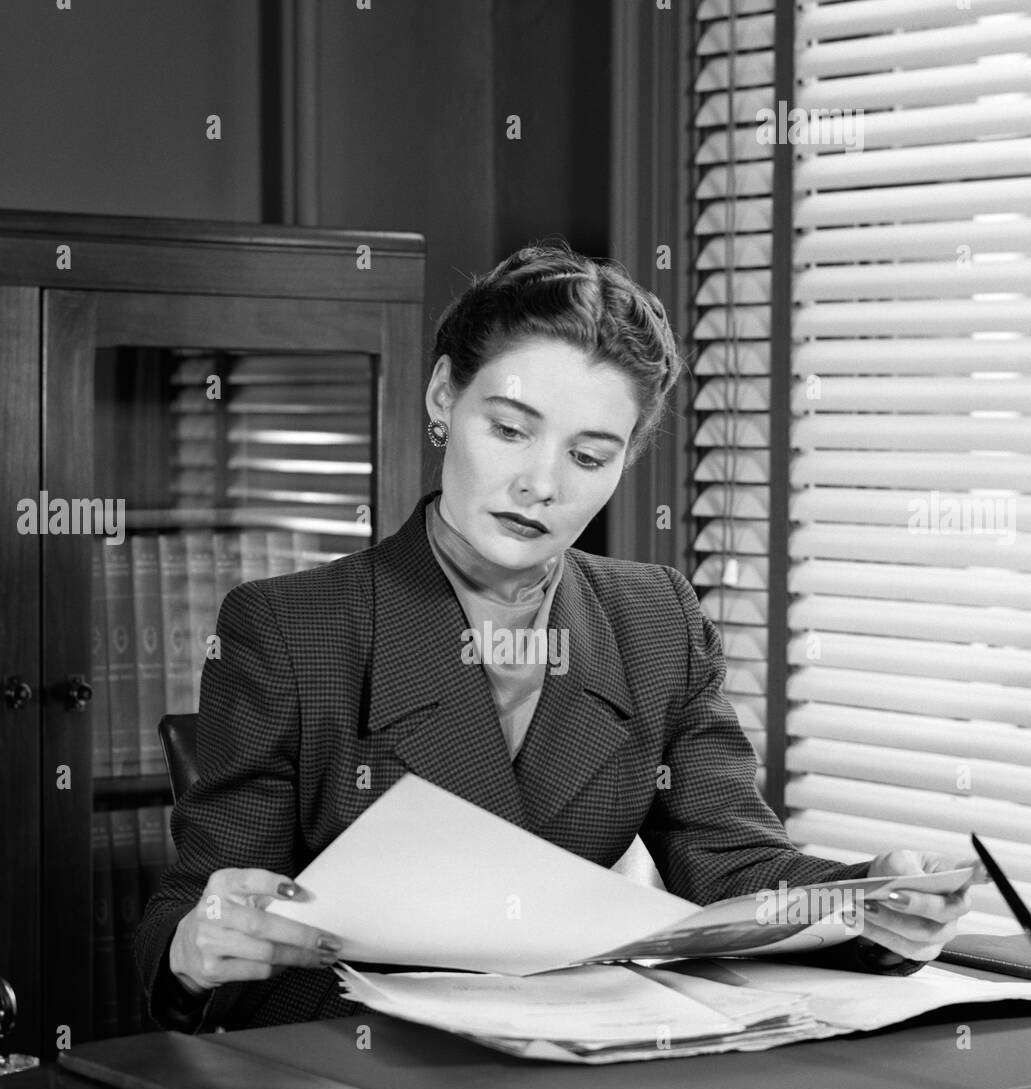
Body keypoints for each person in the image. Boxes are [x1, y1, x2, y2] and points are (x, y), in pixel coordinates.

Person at [136, 239, 979, 1035]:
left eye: (588, 457)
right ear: (442, 397)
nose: (539, 485)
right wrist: (193, 949)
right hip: (351, 1060)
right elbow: (192, 910)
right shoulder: (288, 627)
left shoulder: (656, 619)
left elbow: (727, 859)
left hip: (573, 1056)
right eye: (508, 430)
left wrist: (870, 899)